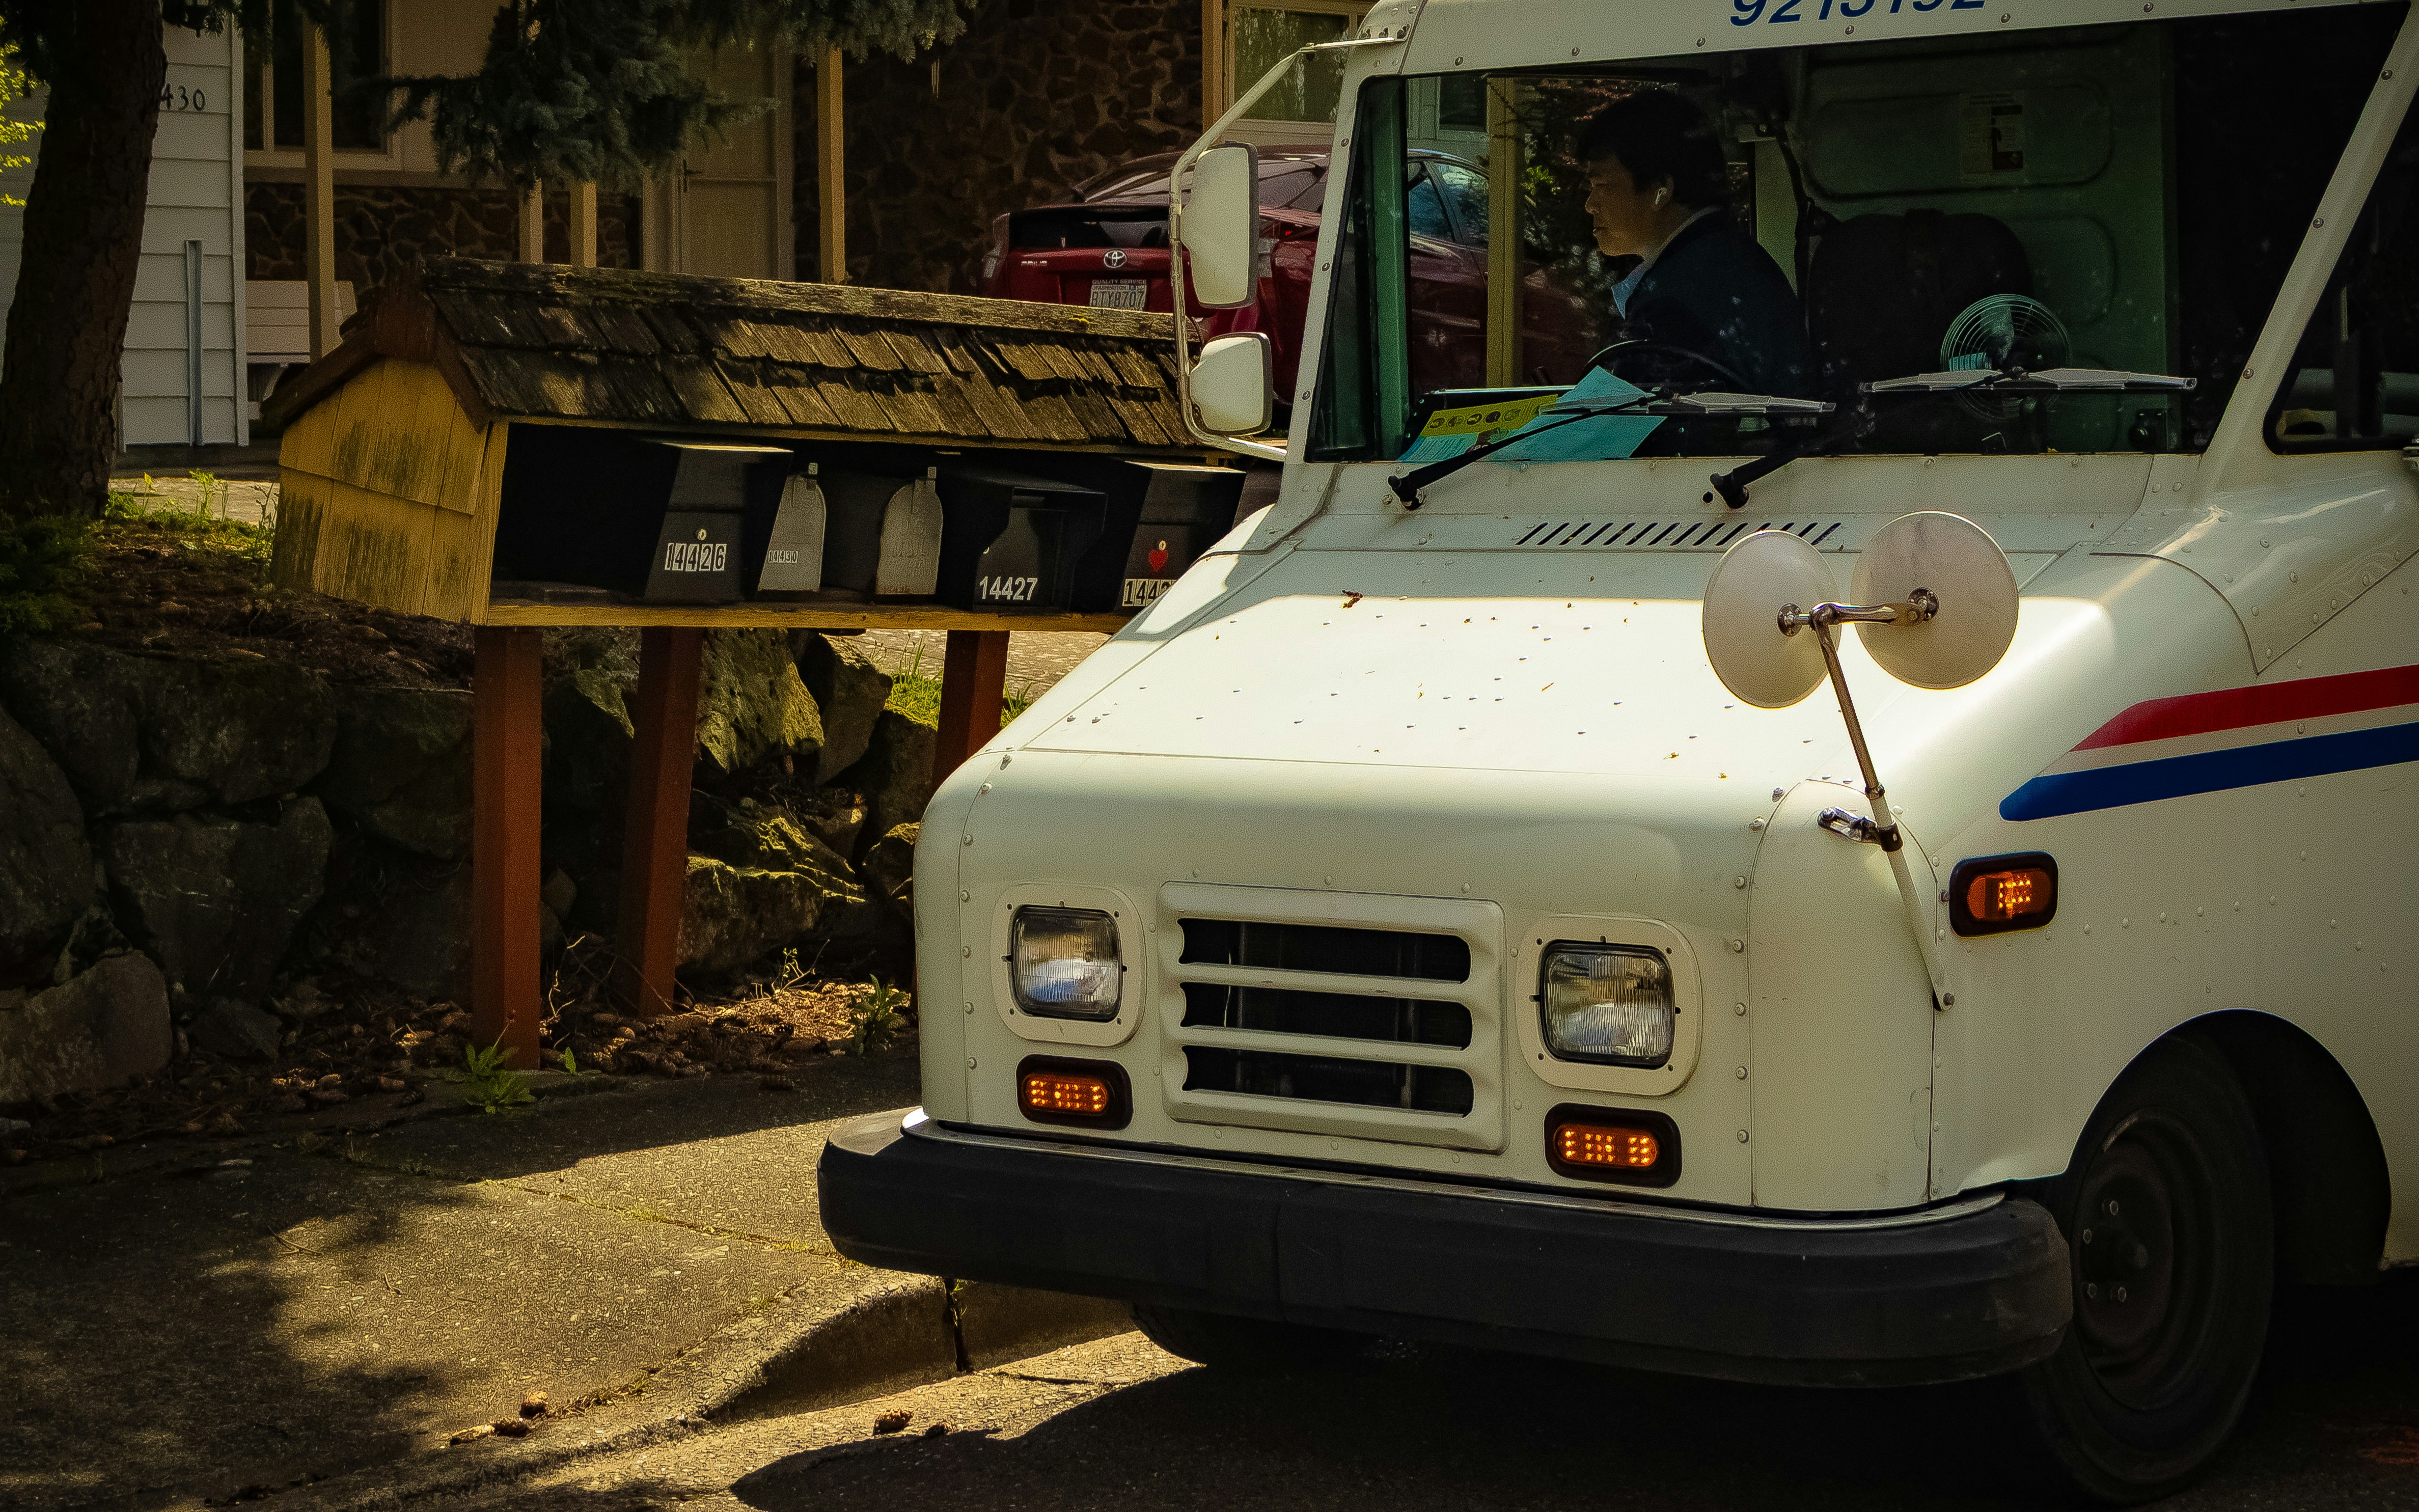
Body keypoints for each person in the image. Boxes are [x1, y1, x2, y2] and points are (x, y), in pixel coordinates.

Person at [1581, 92, 1816, 399]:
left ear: (1660, 190)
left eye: (1601, 185)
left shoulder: (1680, 294)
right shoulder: (1723, 259)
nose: (1590, 205)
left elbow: (1619, 429)